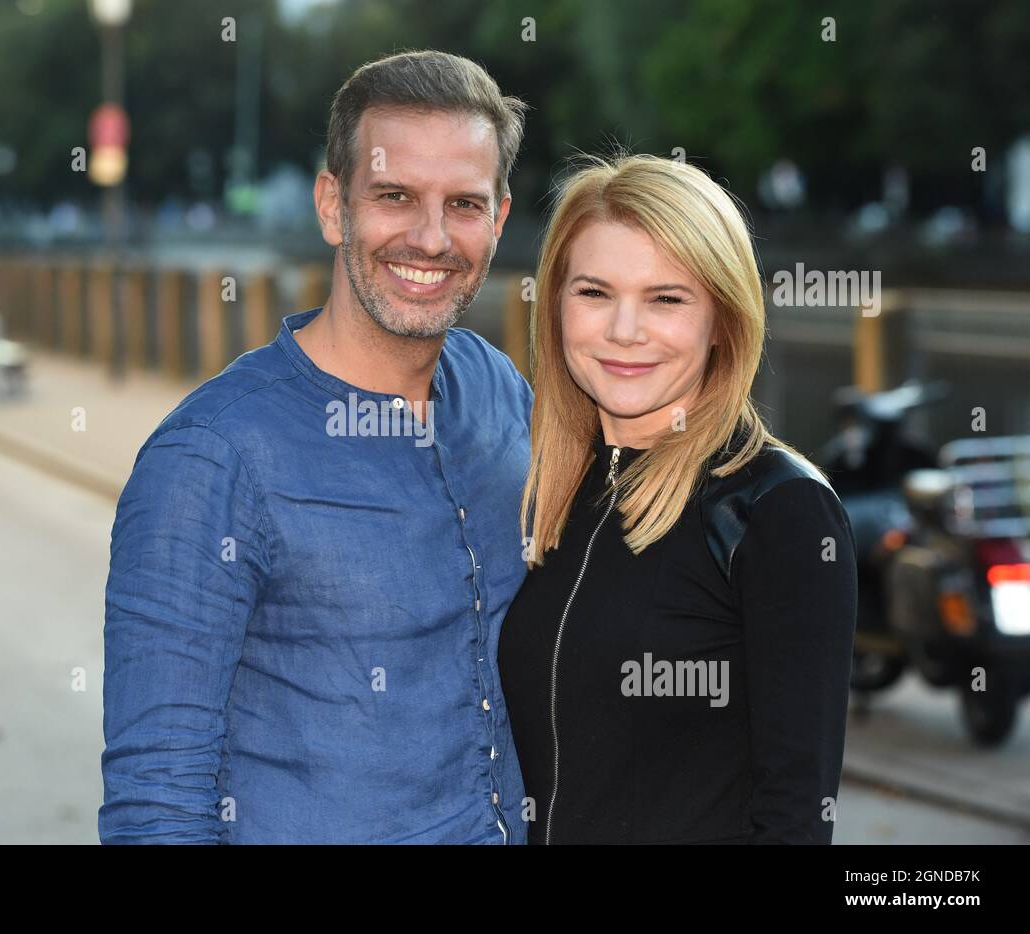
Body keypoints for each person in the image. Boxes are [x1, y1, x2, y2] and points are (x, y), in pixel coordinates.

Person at [100, 50, 534, 843]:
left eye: (464, 204)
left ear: (499, 220)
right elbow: (155, 804)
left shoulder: (499, 390)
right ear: (333, 206)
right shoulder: (211, 459)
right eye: (395, 196)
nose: (431, 238)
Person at [499, 154, 857, 844]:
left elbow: (795, 816)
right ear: (554, 305)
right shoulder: (552, 491)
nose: (625, 330)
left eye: (667, 298)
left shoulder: (777, 511)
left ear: (722, 319)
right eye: (594, 293)